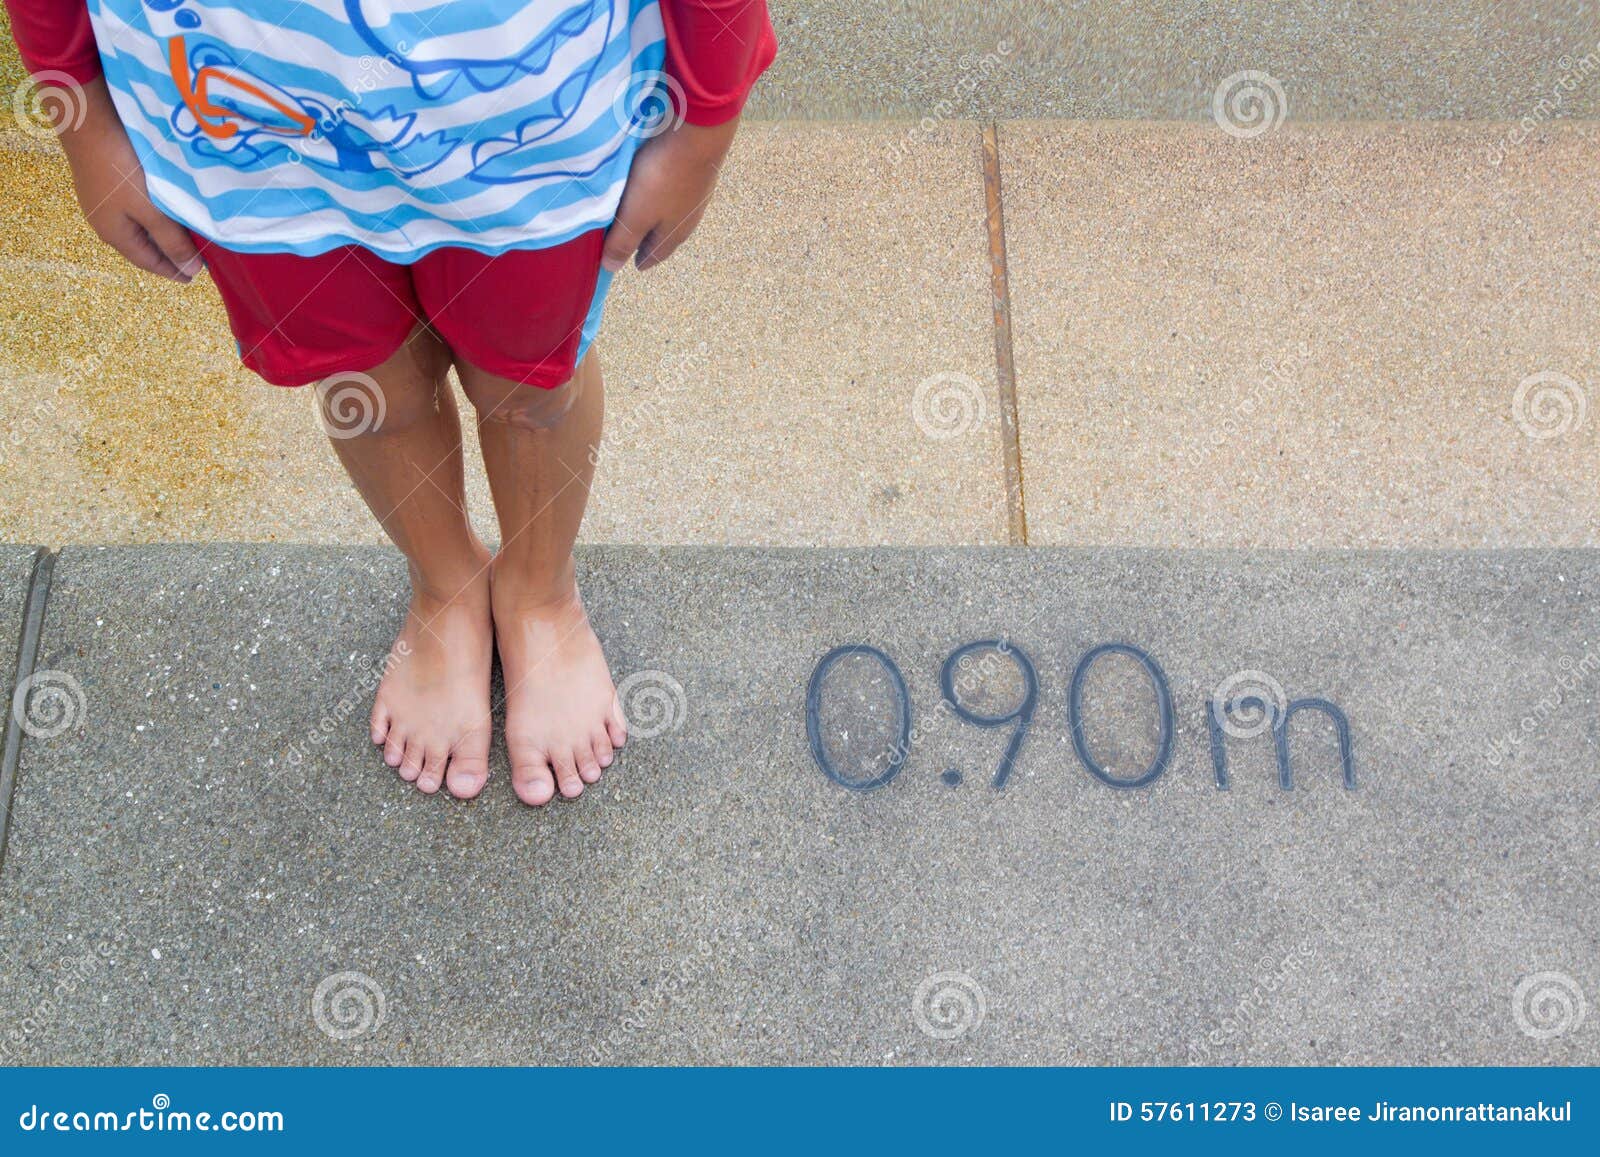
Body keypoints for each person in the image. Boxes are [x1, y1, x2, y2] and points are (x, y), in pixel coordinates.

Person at [5, 0, 776, 804]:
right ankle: (444, 582)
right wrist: (80, 110)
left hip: (528, 112)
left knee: (531, 384)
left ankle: (540, 590)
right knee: (365, 384)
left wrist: (704, 124)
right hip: (246, 124)